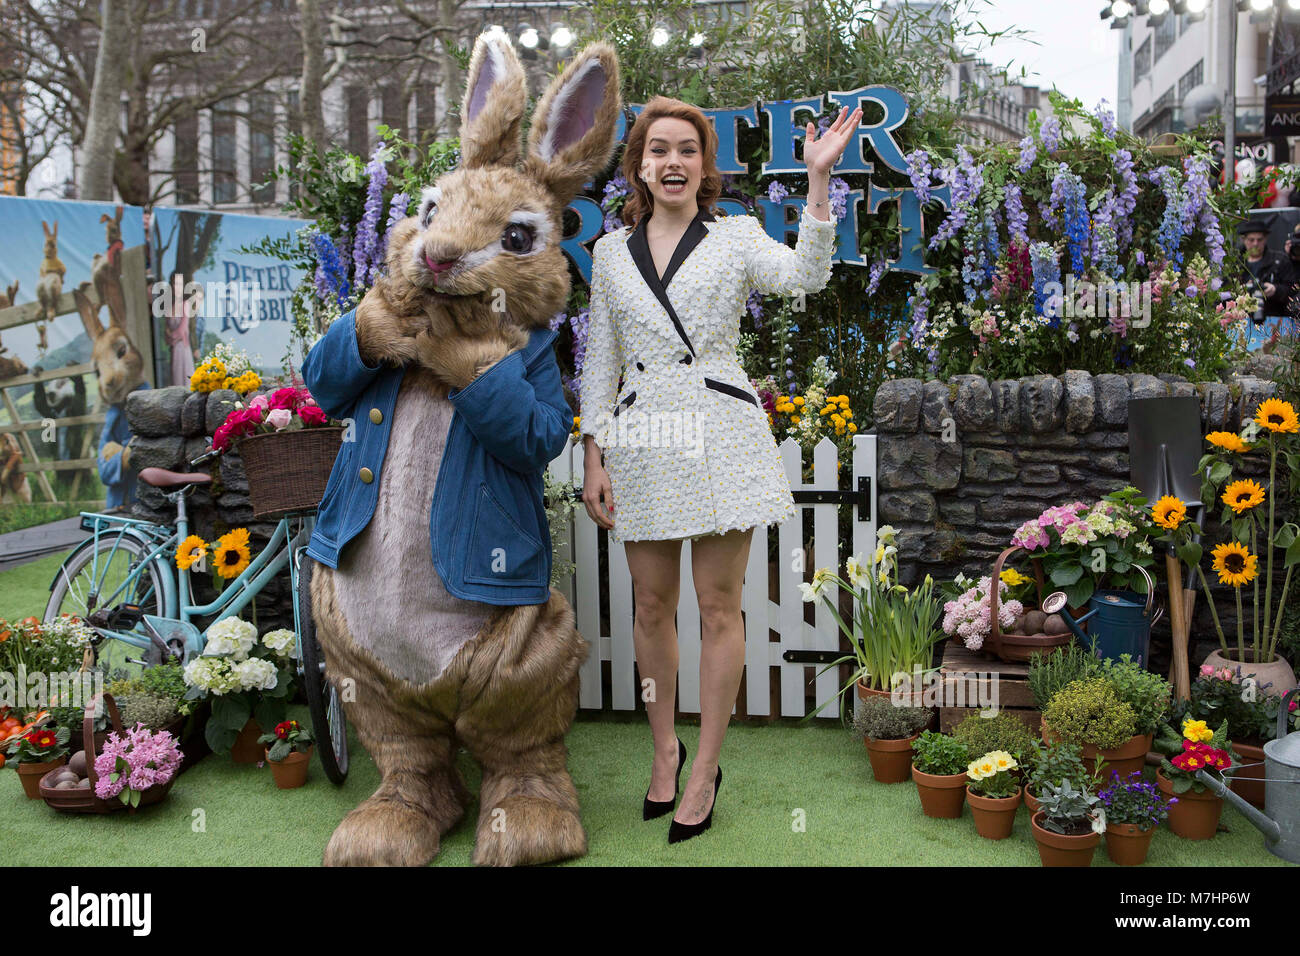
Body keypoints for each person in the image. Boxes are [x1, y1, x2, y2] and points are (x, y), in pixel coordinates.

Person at [578, 96, 861, 844]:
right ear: (639, 164)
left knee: (717, 607)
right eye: (659, 149)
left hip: (723, 429)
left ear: (705, 166)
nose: (673, 161)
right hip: (643, 437)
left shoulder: (736, 236)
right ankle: (663, 748)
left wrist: (818, 184)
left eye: (688, 150)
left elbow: (805, 276)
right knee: (648, 604)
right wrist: (593, 451)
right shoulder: (609, 253)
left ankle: (705, 767)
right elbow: (599, 359)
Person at [1238, 220, 1296, 337]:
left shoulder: (1280, 261)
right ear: (1243, 240)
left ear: (1265, 239)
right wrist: (1239, 292)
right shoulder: (1235, 264)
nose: (1255, 244)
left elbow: (1293, 291)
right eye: (1251, 240)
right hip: (1241, 324)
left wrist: (1275, 290)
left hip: (1274, 323)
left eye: (1259, 240)